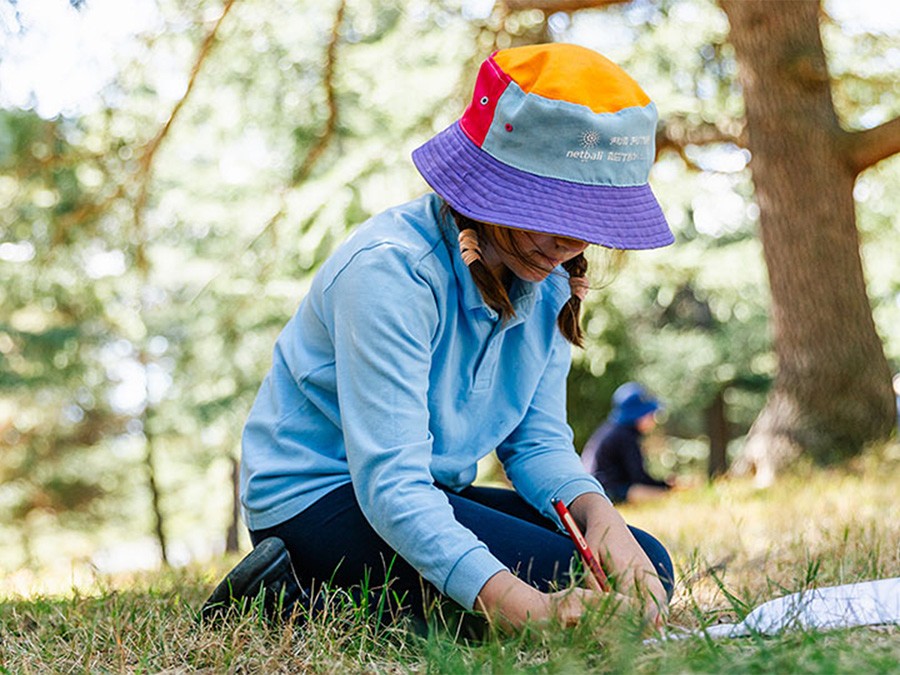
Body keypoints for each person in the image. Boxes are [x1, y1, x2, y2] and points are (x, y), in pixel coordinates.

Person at [206, 43, 677, 633]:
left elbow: (535, 445)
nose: (570, 244)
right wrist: (528, 612)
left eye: (588, 221)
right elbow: (391, 485)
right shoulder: (390, 272)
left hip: (422, 493)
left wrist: (596, 514)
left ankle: (383, 608)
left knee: (644, 563)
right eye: (553, 212)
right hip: (321, 500)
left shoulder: (550, 282)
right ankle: (290, 598)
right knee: (546, 589)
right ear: (491, 184)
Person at [581, 382, 672, 505]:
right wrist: (667, 486)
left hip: (593, 487)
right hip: (606, 491)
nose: (653, 419)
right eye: (650, 415)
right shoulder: (625, 436)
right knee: (658, 495)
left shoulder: (612, 429)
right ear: (638, 415)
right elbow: (638, 478)